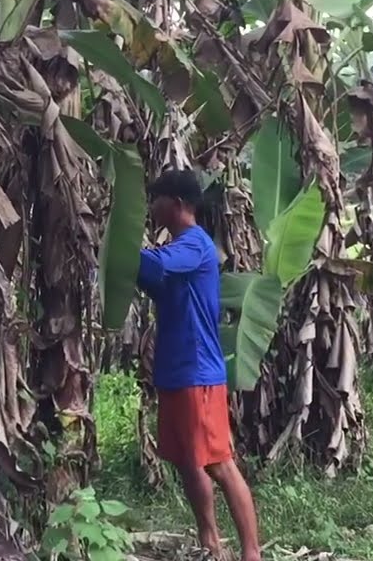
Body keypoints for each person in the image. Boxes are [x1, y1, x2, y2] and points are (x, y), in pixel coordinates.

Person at [137, 169, 262, 561]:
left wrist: (122, 245)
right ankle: (211, 544)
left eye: (156, 199)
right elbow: (148, 276)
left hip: (197, 374)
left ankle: (252, 553)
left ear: (176, 204)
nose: (151, 206)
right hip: (175, 372)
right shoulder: (176, 249)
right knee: (188, 463)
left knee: (219, 464)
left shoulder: (195, 244)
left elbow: (151, 266)